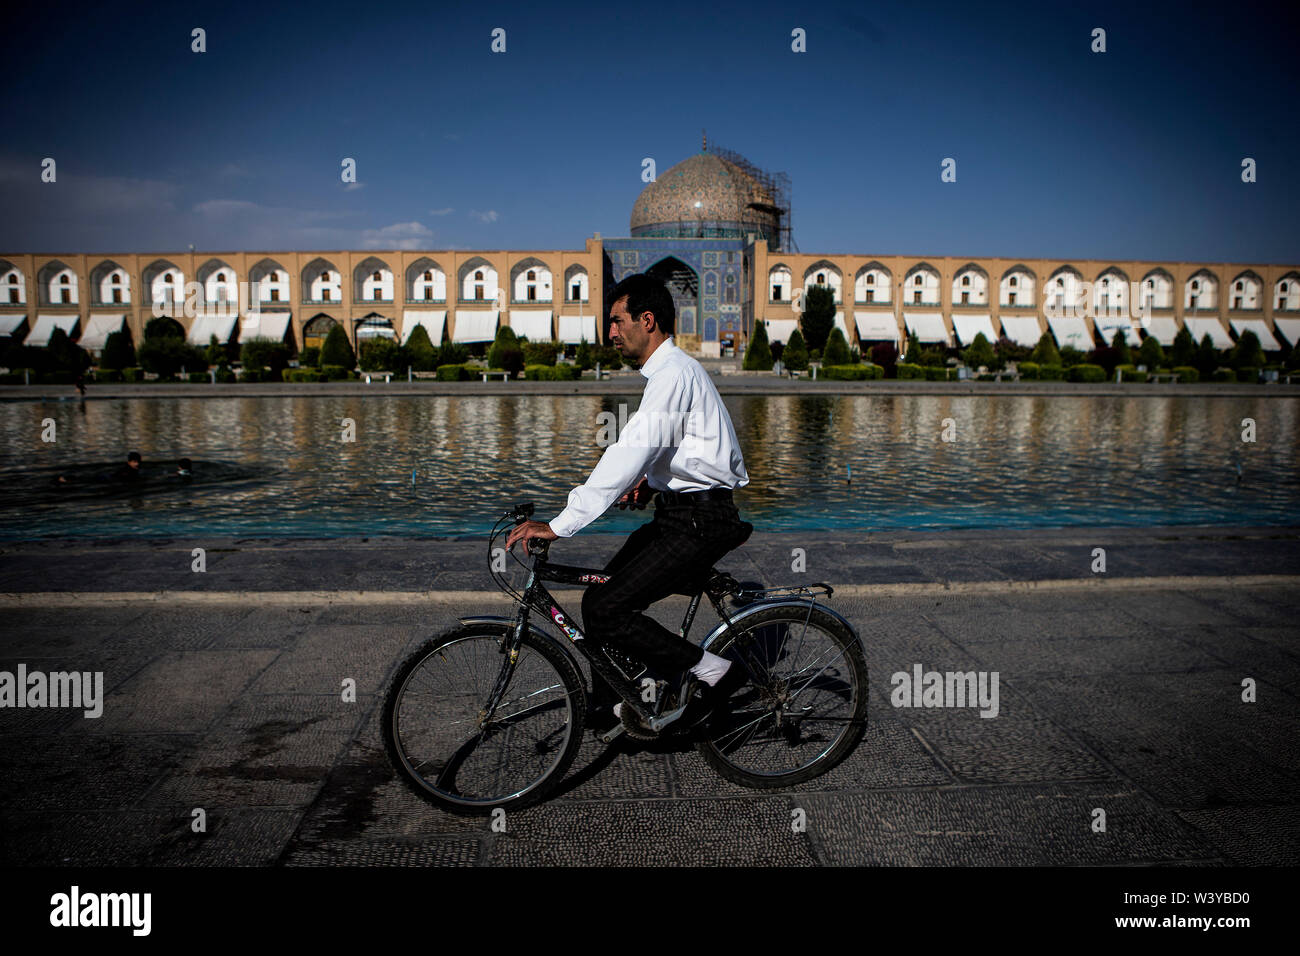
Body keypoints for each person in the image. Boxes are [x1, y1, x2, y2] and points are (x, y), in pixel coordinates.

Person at [505, 273, 752, 734]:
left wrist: (562, 523)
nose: (611, 333)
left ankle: (713, 671)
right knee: (599, 595)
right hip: (682, 513)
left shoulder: (674, 373)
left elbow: (631, 447)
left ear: (648, 319)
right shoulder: (670, 373)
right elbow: (684, 451)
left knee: (608, 610)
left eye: (617, 322)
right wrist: (654, 482)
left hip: (699, 521)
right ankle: (626, 700)